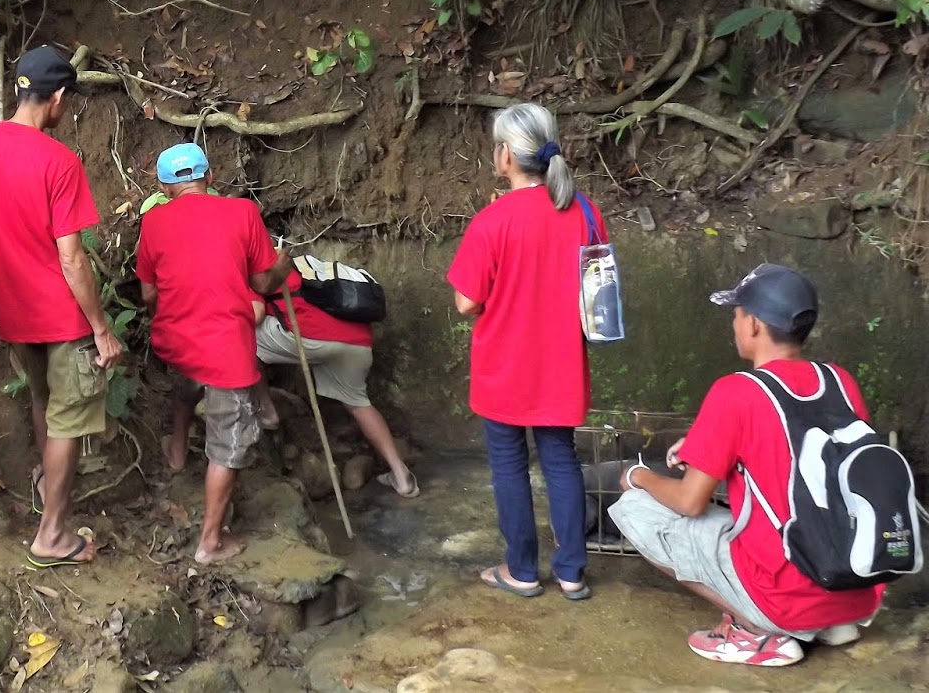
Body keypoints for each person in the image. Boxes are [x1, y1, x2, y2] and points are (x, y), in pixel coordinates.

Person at [610, 265, 887, 667]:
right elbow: (809, 449)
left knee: (635, 508)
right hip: (856, 586)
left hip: (787, 596)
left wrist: (638, 477)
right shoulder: (840, 381)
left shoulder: (735, 392)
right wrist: (708, 443)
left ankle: (757, 631)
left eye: (737, 314)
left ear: (754, 324)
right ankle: (831, 623)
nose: (734, 323)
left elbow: (691, 502)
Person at [0, 45, 124, 568]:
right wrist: (100, 327)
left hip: (12, 308)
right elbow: (72, 259)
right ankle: (52, 534)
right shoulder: (59, 161)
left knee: (42, 399)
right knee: (70, 417)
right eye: (67, 102)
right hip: (61, 314)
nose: (66, 111)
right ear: (55, 98)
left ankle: (43, 482)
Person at [447, 101, 602, 602]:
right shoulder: (583, 210)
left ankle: (522, 571)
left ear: (507, 156)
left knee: (509, 465)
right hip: (562, 363)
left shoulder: (494, 220)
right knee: (561, 459)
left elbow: (467, 302)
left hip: (504, 366)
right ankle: (573, 572)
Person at [136, 143, 290, 564]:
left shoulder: (153, 222)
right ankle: (210, 541)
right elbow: (261, 284)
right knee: (229, 442)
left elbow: (148, 292)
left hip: (175, 338)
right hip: (225, 349)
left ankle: (178, 450)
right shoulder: (241, 213)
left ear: (166, 187)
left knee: (187, 380)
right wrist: (284, 263)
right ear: (210, 177)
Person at [254, 270, 419, 498]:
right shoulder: (304, 266)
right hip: (357, 339)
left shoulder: (252, 270)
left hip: (313, 337)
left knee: (239, 336)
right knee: (359, 404)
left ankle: (266, 410)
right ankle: (402, 477)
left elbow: (256, 313)